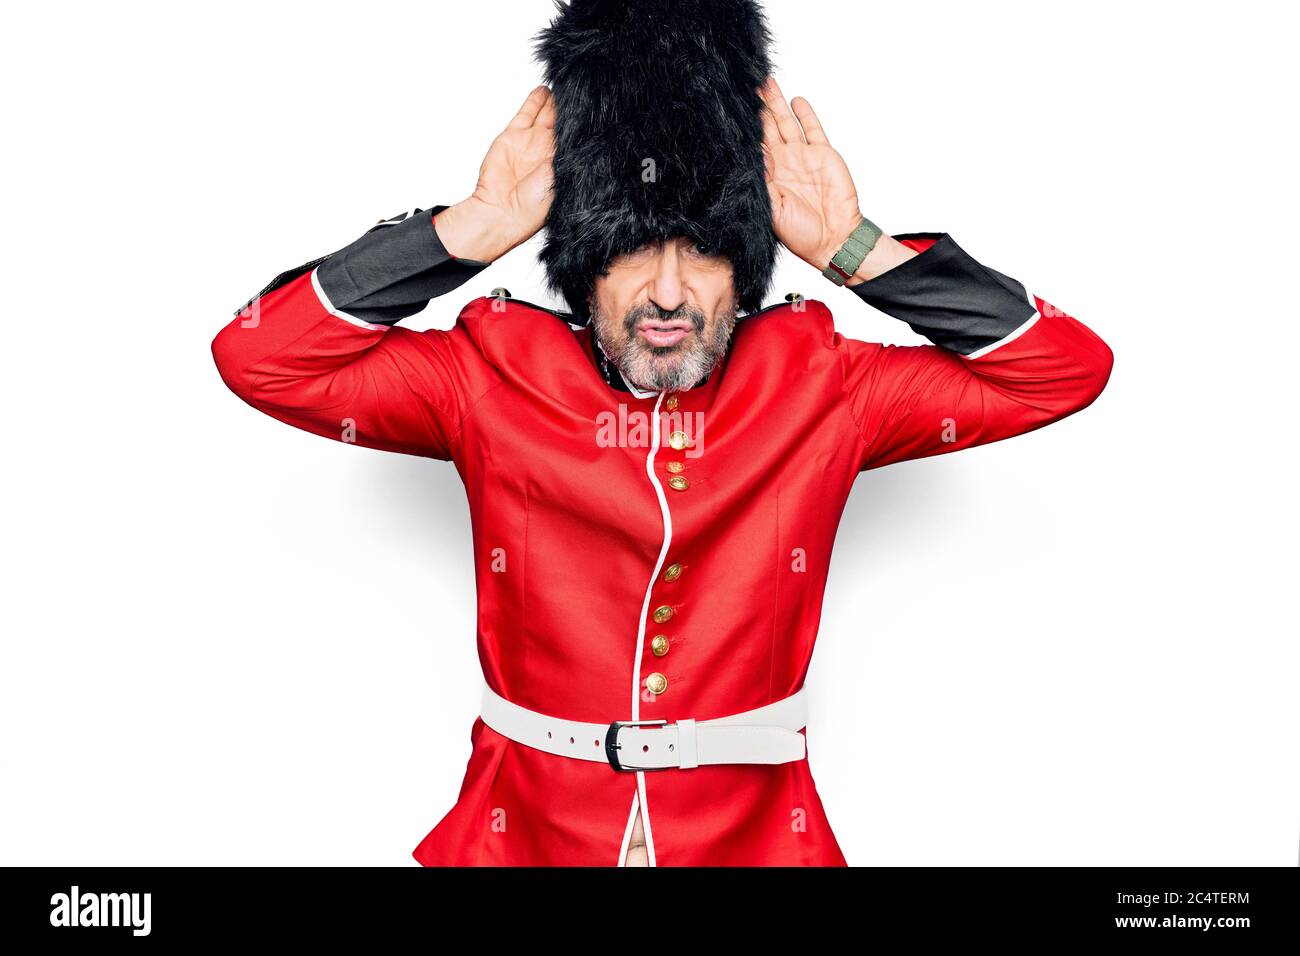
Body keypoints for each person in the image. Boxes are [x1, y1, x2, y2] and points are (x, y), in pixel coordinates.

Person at [212, 0, 1112, 866]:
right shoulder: (485, 373)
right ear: (580, 255)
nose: (672, 295)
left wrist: (852, 245)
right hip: (521, 838)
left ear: (749, 258)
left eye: (707, 250)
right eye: (634, 246)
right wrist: (465, 233)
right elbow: (262, 359)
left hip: (755, 846)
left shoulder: (824, 383)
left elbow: (1067, 370)